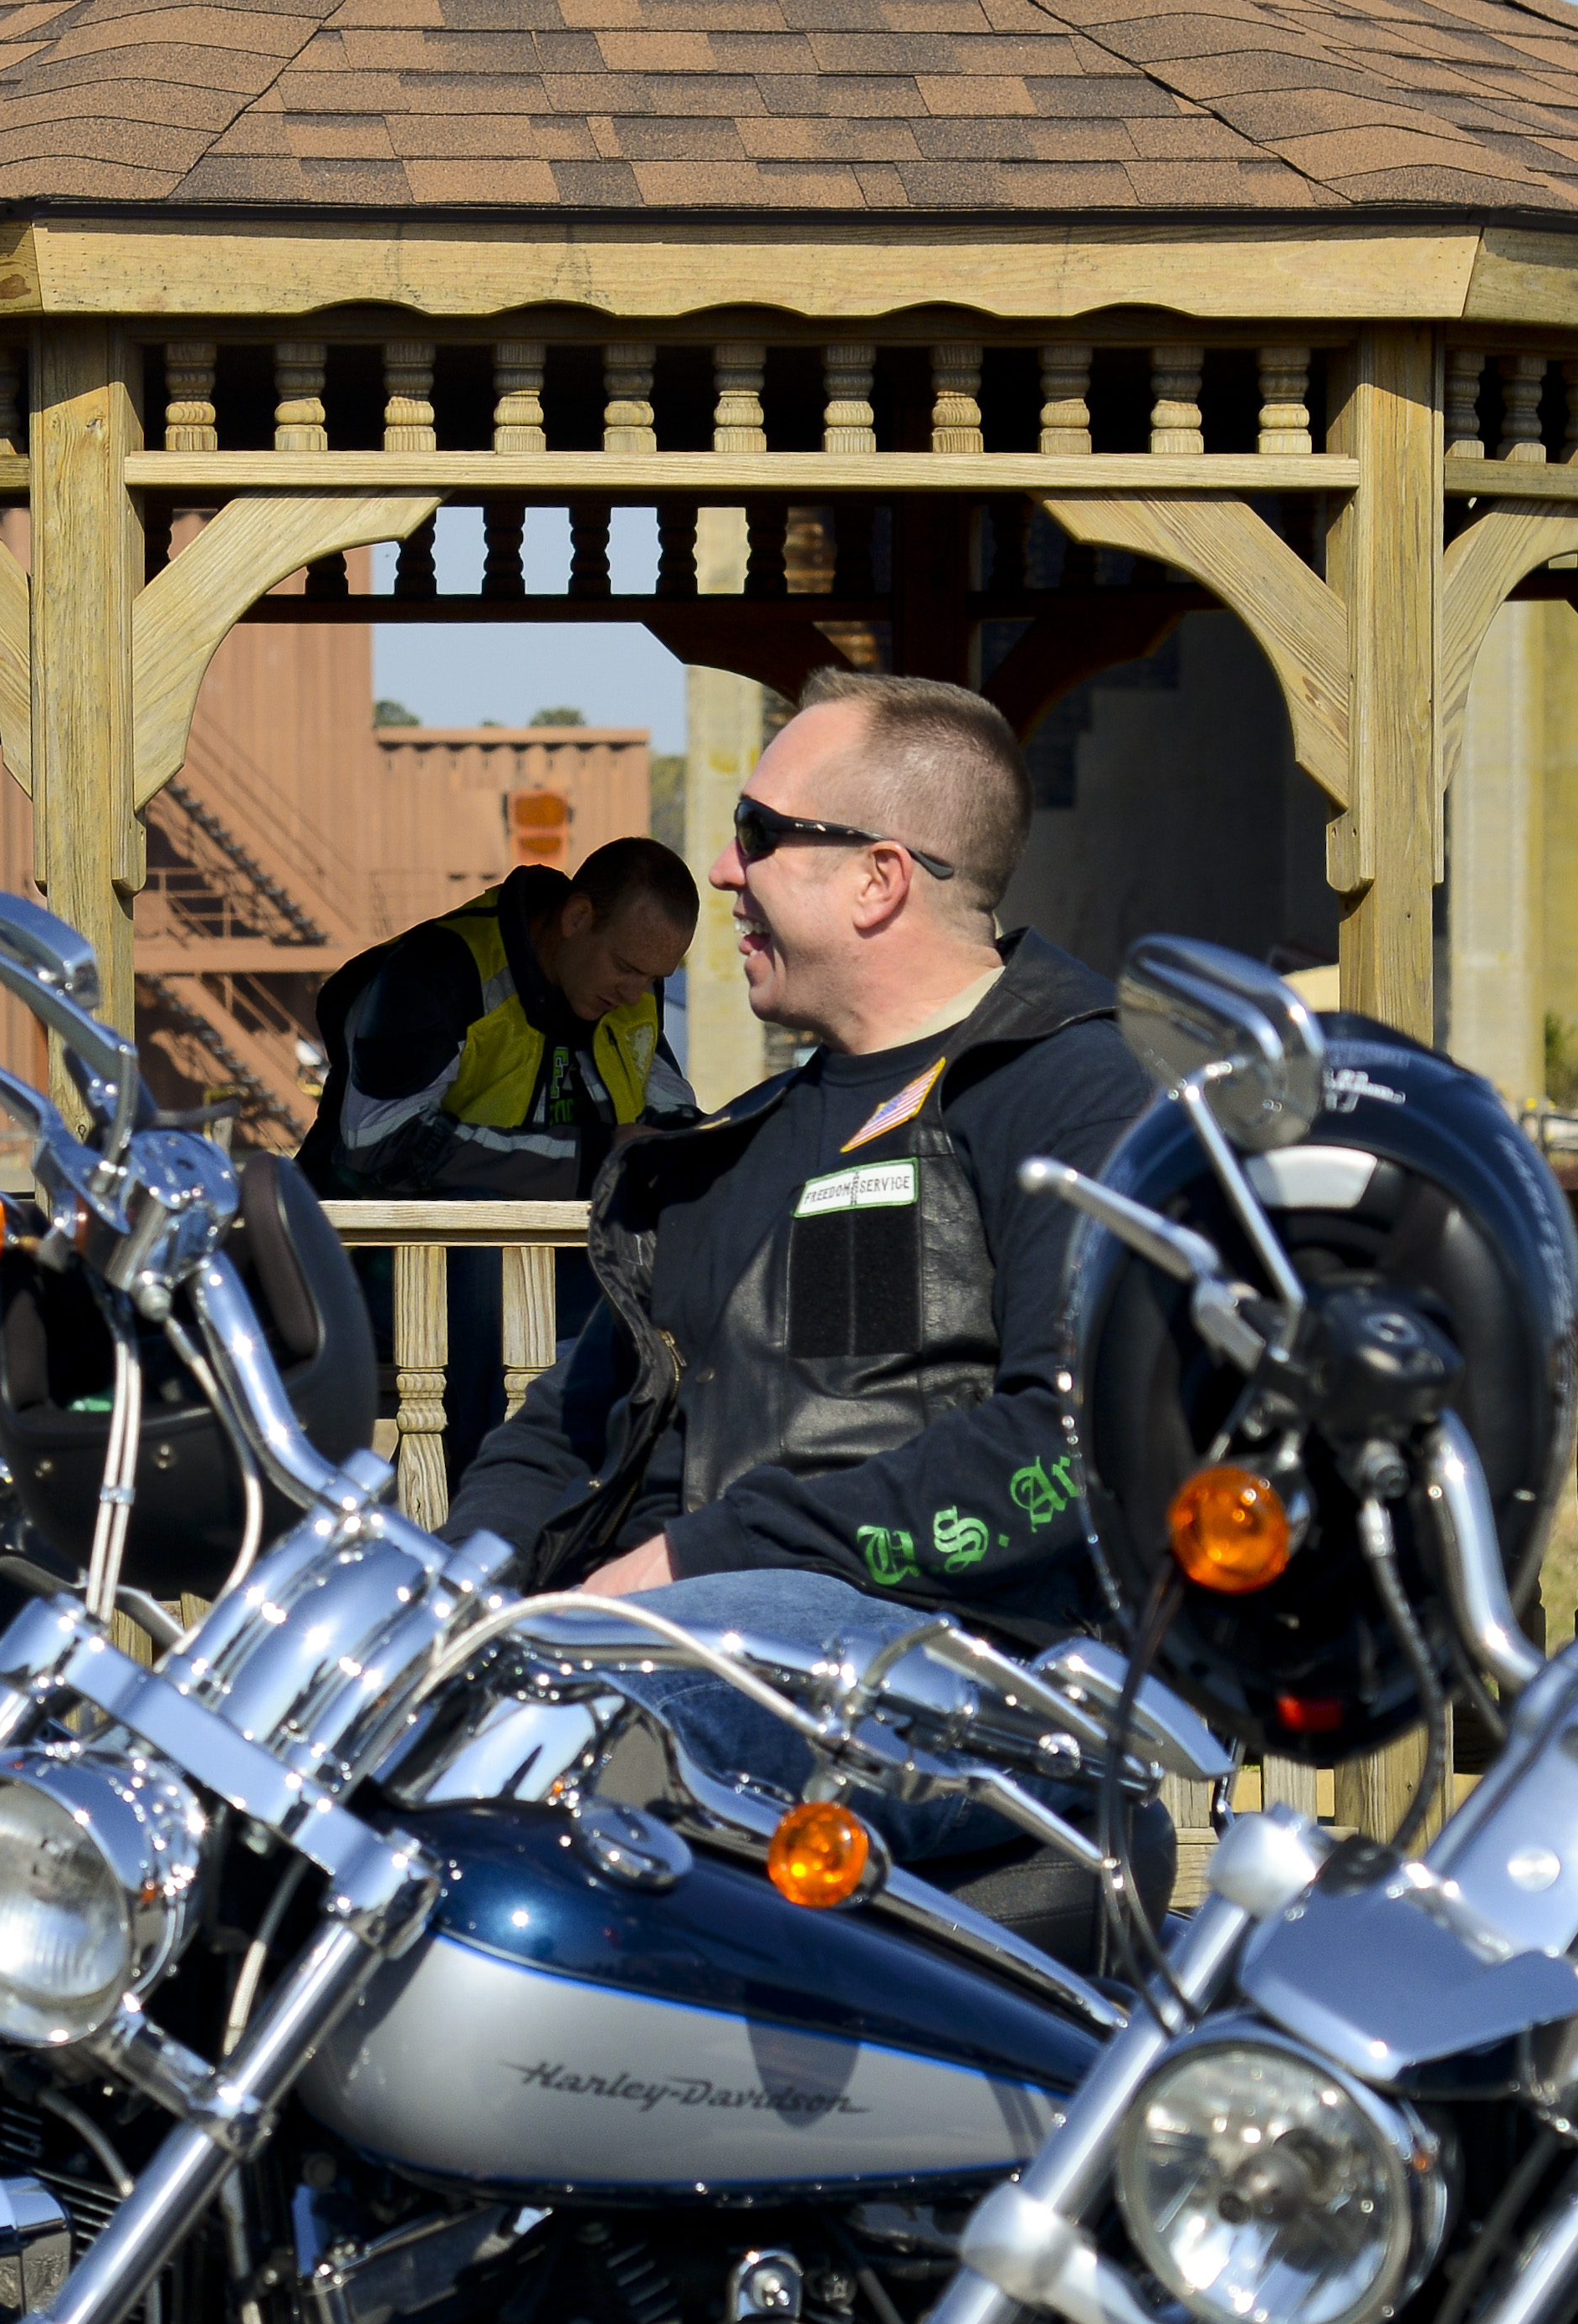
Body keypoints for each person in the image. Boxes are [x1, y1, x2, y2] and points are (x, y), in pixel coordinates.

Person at [442, 671, 1150, 1844]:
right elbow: (565, 1425)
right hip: (684, 1640)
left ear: (880, 878)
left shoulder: (1079, 1094)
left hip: (947, 1676)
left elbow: (1072, 1439)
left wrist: (693, 1562)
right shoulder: (739, 1144)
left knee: (579, 1758)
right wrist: (460, 1590)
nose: (722, 870)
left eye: (759, 836)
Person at [305, 836, 701, 1200]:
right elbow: (382, 1145)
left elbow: (673, 1130)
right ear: (577, 917)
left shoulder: (633, 997)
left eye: (654, 978)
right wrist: (594, 1160)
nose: (635, 995)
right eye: (626, 968)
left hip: (561, 1259)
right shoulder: (436, 974)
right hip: (376, 1258)